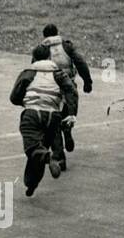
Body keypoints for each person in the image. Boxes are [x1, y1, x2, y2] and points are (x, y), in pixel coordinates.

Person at [10, 43, 76, 196]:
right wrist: (71, 113)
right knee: (40, 149)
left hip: (32, 114)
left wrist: (26, 102)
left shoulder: (28, 72)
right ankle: (31, 184)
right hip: (53, 116)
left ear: (33, 58)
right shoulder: (58, 73)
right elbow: (71, 91)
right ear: (49, 57)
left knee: (32, 147)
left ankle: (49, 158)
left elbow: (14, 97)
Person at [33, 24, 92, 155]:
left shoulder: (41, 50)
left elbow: (34, 69)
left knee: (52, 118)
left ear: (44, 36)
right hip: (67, 84)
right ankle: (68, 129)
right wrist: (87, 81)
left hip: (49, 87)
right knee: (70, 109)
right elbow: (80, 63)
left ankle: (59, 155)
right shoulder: (66, 46)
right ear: (57, 33)